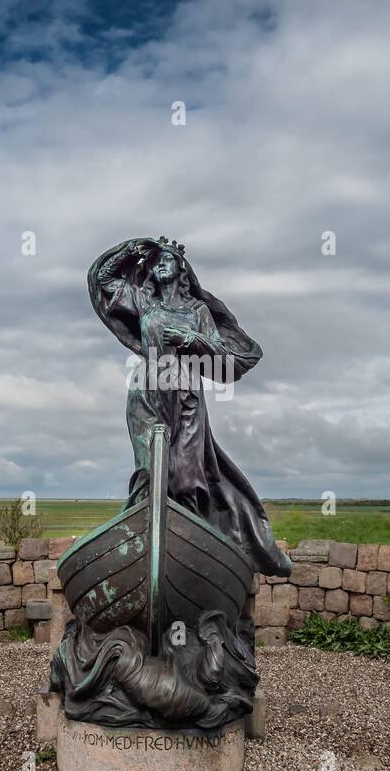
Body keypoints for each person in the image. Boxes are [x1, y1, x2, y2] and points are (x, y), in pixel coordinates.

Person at [89, 236, 292, 578]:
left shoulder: (197, 312)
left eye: (167, 260)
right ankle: (146, 554)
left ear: (182, 269)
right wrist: (132, 249)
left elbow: (224, 357)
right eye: (156, 262)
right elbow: (104, 280)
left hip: (186, 395)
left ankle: (188, 555)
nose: (160, 265)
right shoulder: (145, 301)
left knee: (186, 479)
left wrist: (194, 340)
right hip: (147, 391)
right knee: (149, 474)